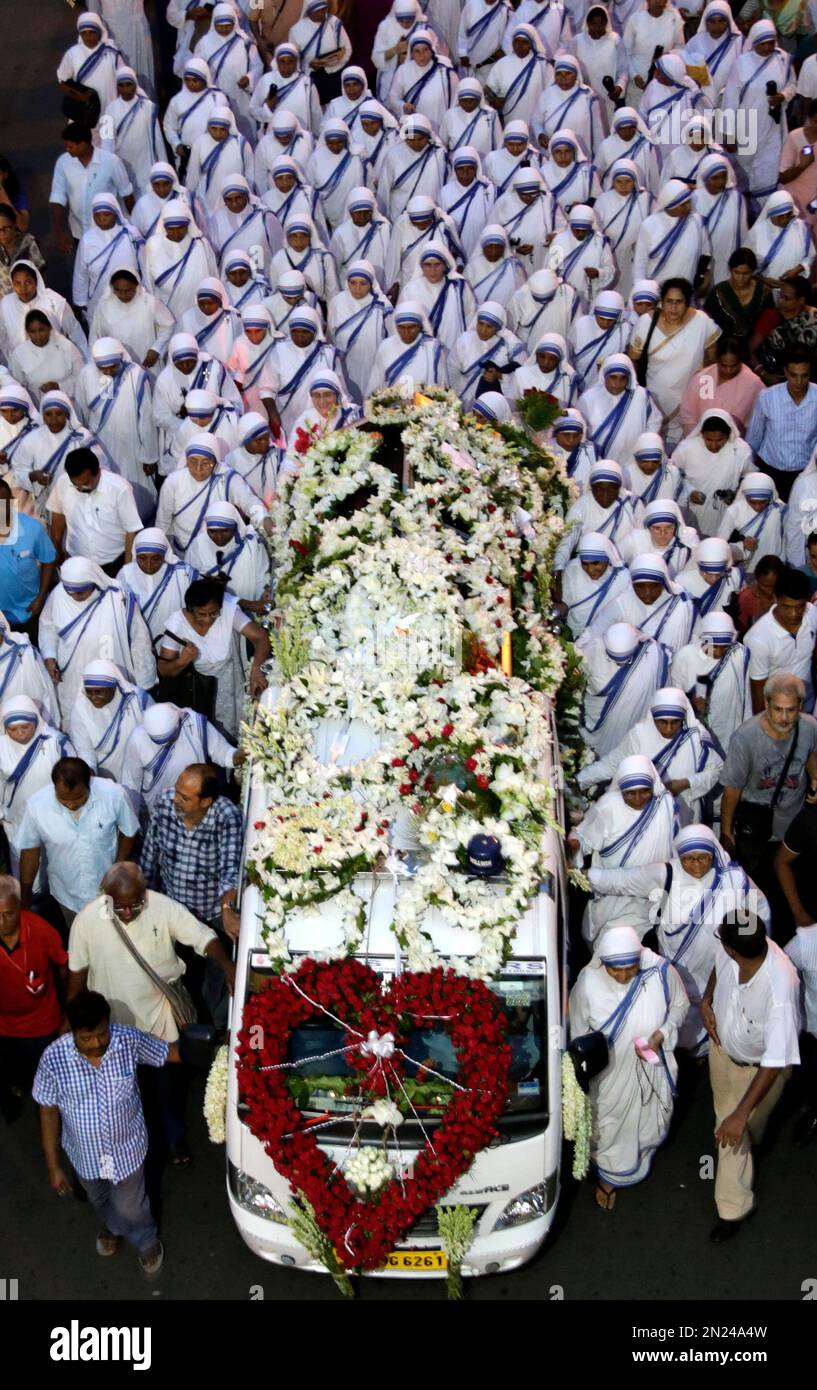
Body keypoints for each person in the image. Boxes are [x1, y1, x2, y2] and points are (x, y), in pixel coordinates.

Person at [67, 863, 233, 1164]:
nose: (129, 913)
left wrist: (228, 967)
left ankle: (174, 1139)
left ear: (145, 892)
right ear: (105, 896)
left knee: (167, 1087)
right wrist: (71, 1026)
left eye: (136, 904)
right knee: (127, 1093)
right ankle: (138, 1147)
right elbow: (76, 978)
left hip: (160, 1025)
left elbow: (203, 937)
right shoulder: (86, 921)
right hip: (114, 1032)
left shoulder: (162, 907)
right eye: (121, 907)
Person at [32, 989, 173, 1275]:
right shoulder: (52, 1059)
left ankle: (146, 1240)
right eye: (86, 1038)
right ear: (72, 1031)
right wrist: (53, 1166)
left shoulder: (127, 1040)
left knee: (132, 1207)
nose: (96, 1044)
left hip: (128, 1150)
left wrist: (218, 1053)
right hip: (84, 1158)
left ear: (108, 1023)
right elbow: (47, 1111)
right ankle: (114, 1227)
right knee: (100, 1199)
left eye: (101, 1034)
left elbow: (166, 1052)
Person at [568, 924, 688, 1210]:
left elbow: (681, 1006)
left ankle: (639, 1158)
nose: (622, 976)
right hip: (608, 1075)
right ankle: (608, 1178)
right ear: (603, 963)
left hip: (649, 1068)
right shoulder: (588, 982)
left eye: (630, 968)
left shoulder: (660, 972)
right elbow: (576, 1029)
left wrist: (660, 1035)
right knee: (609, 1126)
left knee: (646, 1122)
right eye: (614, 969)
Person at [700, 913, 800, 1241]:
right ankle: (737, 1192)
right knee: (732, 1132)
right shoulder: (732, 951)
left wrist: (740, 1114)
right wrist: (706, 999)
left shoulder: (780, 986)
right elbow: (717, 967)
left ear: (734, 949)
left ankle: (734, 1210)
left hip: (759, 1072)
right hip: (722, 1055)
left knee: (732, 1132)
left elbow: (774, 1061)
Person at [17, 757, 139, 929]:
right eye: (64, 800)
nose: (72, 805)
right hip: (67, 896)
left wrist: (117, 867)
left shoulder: (113, 794)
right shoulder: (37, 806)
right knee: (79, 941)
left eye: (79, 798)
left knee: (114, 939)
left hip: (109, 891)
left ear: (89, 782)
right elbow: (30, 851)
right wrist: (25, 897)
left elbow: (129, 830)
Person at [140, 764, 243, 965]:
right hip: (173, 911)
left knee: (216, 973)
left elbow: (230, 870)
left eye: (185, 798)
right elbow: (150, 854)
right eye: (177, 792)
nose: (176, 800)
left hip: (212, 913)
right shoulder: (164, 803)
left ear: (206, 801)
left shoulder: (226, 816)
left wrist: (227, 909)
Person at [720, 672, 817, 882]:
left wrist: (816, 778)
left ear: (800, 705)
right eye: (778, 709)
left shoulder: (809, 727)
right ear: (766, 703)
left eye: (790, 710)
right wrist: (727, 836)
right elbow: (731, 791)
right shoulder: (745, 737)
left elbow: (811, 752)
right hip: (756, 831)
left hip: (792, 830)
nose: (784, 718)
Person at [577, 687, 723, 827]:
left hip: (683, 817)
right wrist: (578, 781)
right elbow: (611, 765)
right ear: (653, 716)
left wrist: (686, 783)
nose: (668, 728)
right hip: (642, 816)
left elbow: (717, 770)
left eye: (674, 722)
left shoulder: (695, 738)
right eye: (662, 722)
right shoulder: (639, 735)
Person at [38, 557, 157, 725]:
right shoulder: (59, 594)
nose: (74, 596)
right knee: (76, 720)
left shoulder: (119, 598)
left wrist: (145, 680)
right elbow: (47, 627)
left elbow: (140, 640)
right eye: (70, 592)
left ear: (94, 582)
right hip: (72, 675)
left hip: (111, 669)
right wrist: (49, 657)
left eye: (80, 592)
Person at [157, 576, 271, 738]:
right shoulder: (176, 625)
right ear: (190, 608)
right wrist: (182, 661)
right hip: (198, 698)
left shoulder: (228, 611)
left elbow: (260, 638)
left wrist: (257, 669)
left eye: (213, 613)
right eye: (201, 614)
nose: (208, 619)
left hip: (233, 690)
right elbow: (164, 670)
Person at [0, 875, 67, 1122]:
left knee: (48, 1074)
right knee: (9, 1070)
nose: (1, 921)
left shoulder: (38, 928)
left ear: (19, 908)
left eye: (7, 913)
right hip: (3, 1025)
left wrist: (66, 1007)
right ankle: (13, 1096)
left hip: (42, 1022)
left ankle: (50, 1116)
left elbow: (63, 965)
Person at [629, 278, 720, 447]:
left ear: (688, 303)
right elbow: (633, 360)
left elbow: (712, 360)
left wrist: (705, 396)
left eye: (679, 302)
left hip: (690, 400)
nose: (673, 308)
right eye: (668, 302)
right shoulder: (647, 322)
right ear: (661, 302)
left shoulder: (701, 321)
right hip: (654, 398)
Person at [121, 702, 243, 813]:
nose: (164, 745)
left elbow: (221, 751)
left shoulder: (195, 724)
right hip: (157, 809)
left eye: (168, 740)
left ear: (177, 725)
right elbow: (131, 783)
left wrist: (237, 756)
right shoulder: (137, 739)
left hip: (195, 804)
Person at [578, 621, 671, 757]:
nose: (620, 664)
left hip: (632, 718)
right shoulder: (594, 648)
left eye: (624, 660)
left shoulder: (654, 655)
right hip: (597, 714)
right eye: (615, 659)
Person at [48, 448, 144, 575]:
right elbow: (58, 514)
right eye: (75, 485)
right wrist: (57, 548)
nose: (80, 489)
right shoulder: (63, 483)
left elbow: (132, 530)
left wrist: (127, 569)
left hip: (113, 564)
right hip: (77, 563)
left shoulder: (119, 488)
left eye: (85, 484)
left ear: (98, 472)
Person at [671, 611, 751, 754]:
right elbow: (673, 698)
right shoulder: (685, 656)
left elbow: (747, 696)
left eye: (724, 647)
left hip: (729, 729)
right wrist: (691, 704)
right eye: (714, 646)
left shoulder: (738, 655)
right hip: (696, 731)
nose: (719, 652)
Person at [49, 124, 133, 253]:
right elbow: (57, 199)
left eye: (70, 146)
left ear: (83, 144)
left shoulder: (111, 162)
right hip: (79, 233)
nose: (67, 150)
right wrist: (60, 234)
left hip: (110, 231)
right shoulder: (63, 162)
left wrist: (133, 227)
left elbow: (126, 194)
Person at [745, 352, 817, 502]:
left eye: (804, 376)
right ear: (785, 372)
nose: (798, 382)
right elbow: (753, 438)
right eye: (793, 375)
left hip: (805, 474)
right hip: (770, 471)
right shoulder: (767, 397)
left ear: (810, 374)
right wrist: (749, 472)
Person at [67, 661, 153, 786]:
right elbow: (84, 748)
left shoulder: (139, 700)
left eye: (99, 692)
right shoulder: (80, 707)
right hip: (102, 774)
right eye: (89, 692)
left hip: (139, 770)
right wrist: (89, 771)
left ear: (113, 687)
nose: (93, 697)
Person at [744, 567, 817, 711]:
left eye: (800, 606)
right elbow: (758, 692)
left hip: (807, 702)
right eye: (787, 607)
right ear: (775, 599)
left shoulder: (812, 613)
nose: (794, 614)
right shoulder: (758, 639)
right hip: (777, 709)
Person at [673, 410, 753, 540]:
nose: (714, 445)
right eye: (709, 440)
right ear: (702, 434)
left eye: (719, 440)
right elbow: (672, 475)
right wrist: (689, 492)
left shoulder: (741, 450)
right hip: (693, 511)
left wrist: (736, 494)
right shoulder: (686, 448)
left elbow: (750, 478)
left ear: (728, 435)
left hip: (724, 512)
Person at [118, 527, 199, 646]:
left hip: (176, 642)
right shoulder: (125, 574)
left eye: (156, 559)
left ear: (165, 556)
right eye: (142, 558)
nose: (149, 565)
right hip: (138, 645)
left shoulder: (183, 573)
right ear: (136, 555)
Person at [0, 479, 56, 640]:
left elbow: (49, 560)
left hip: (31, 611)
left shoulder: (33, 527)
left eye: (3, 502)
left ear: (11, 501)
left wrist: (40, 597)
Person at [680, 337, 765, 437]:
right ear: (717, 361)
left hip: (736, 444)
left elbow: (762, 418)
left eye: (733, 366)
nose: (728, 371)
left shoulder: (753, 383)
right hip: (699, 440)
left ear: (740, 361)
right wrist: (699, 441)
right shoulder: (702, 378)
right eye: (724, 366)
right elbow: (687, 416)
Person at [703, 249, 773, 348]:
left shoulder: (764, 292)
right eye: (736, 272)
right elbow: (707, 324)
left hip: (757, 350)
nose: (740, 278)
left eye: (746, 273)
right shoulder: (718, 292)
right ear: (730, 270)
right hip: (724, 349)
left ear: (753, 271)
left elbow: (769, 321)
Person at [735, 553, 783, 634]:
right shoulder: (746, 598)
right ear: (757, 579)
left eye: (774, 586)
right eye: (765, 586)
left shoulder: (784, 595)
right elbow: (741, 629)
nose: (770, 591)